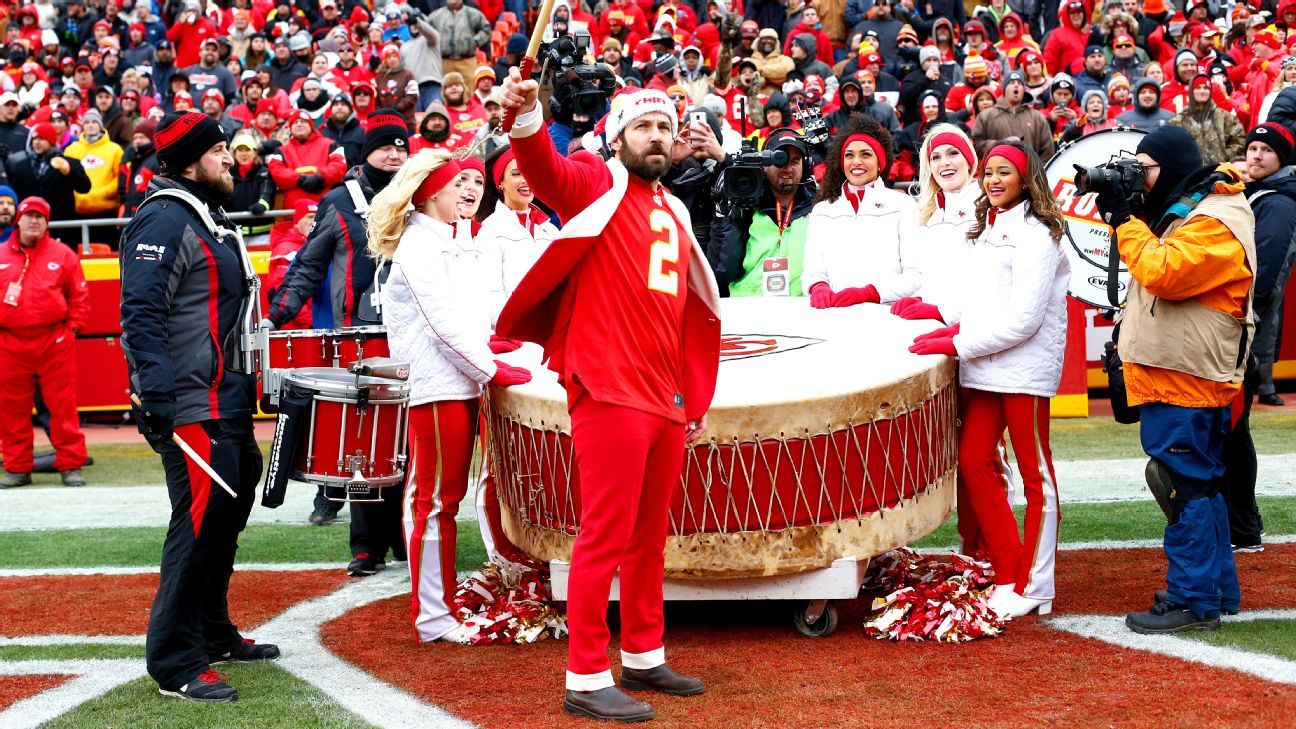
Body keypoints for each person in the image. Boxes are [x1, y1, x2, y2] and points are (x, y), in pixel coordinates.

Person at [498, 77, 720, 721]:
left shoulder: (673, 207)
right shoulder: (598, 181)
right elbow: (546, 171)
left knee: (649, 537)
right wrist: (528, 115)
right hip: (607, 386)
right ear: (617, 137)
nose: (656, 137)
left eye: (665, 128)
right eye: (642, 127)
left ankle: (644, 655)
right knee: (604, 535)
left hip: (662, 393)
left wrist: (690, 394)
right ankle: (586, 674)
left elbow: (684, 313)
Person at [120, 110, 278, 703]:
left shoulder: (204, 214)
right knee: (195, 526)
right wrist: (157, 394)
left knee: (225, 516)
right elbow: (142, 309)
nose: (229, 159)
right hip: (190, 400)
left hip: (224, 398)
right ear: (189, 162)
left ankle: (212, 630)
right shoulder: (164, 217)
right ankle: (175, 661)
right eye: (217, 151)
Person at [365, 147, 532, 640]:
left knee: (445, 498)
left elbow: (467, 317)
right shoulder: (419, 245)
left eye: (472, 182)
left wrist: (491, 345)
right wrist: (491, 368)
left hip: (461, 381)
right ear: (430, 191)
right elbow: (442, 326)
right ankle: (433, 617)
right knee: (436, 501)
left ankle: (441, 607)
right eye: (458, 182)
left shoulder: (453, 240)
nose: (468, 190)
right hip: (439, 388)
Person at [1092, 125, 1252, 633]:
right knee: (1196, 482)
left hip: (1189, 376)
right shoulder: (1194, 209)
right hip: (1180, 371)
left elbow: (1165, 273)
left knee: (1184, 484)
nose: (1139, 178)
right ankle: (1215, 590)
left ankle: (1194, 600)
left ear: (1174, 166)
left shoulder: (1218, 219)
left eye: (1145, 169)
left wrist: (1124, 219)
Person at [902, 140, 1070, 620]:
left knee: (1036, 476)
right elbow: (975, 300)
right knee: (974, 460)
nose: (994, 180)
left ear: (1025, 179)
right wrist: (939, 316)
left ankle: (1036, 585)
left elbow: (1023, 320)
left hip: (1023, 371)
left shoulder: (1037, 234)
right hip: (987, 367)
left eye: (1004, 172)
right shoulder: (986, 227)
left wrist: (956, 343)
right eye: (989, 172)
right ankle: (1008, 570)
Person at [265, 113, 412, 567]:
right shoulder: (339, 201)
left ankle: (406, 536)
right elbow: (309, 265)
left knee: (409, 442)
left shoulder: (422, 196)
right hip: (361, 337)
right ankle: (366, 544)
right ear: (365, 153)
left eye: (401, 147)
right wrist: (275, 316)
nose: (394, 154)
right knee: (365, 443)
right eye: (384, 146)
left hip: (413, 334)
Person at [0, 197, 89, 490]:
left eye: (40, 217)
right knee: (11, 410)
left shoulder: (63, 255)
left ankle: (71, 465)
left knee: (63, 407)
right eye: (29, 215)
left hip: (54, 341)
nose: (34, 221)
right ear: (19, 220)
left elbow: (79, 297)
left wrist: (72, 330)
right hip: (9, 343)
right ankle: (17, 468)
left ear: (47, 223)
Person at [803, 116, 919, 307]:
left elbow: (916, 275)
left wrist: (871, 293)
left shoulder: (904, 206)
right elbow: (813, 270)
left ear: (880, 163)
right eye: (849, 155)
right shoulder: (822, 211)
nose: (856, 161)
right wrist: (818, 287)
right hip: (834, 314)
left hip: (885, 314)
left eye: (866, 154)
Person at [710, 128, 815, 297]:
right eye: (779, 160)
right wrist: (722, 215)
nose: (787, 168)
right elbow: (723, 273)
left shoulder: (819, 210)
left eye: (795, 161)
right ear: (764, 166)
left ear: (806, 166)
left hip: (801, 307)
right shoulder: (745, 209)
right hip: (749, 307)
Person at [1244, 123, 1296, 410]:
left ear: (1282, 158)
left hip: (1256, 288)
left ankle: (1261, 386)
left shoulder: (1278, 201)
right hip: (1252, 286)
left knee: (1264, 323)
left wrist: (1252, 296)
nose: (1257, 155)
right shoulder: (1260, 189)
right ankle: (1264, 385)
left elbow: (1270, 257)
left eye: (1267, 150)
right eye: (1252, 148)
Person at [5, 123, 92, 229]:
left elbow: (85, 187)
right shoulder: (21, 165)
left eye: (41, 139)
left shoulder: (68, 163)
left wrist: (69, 171)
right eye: (35, 139)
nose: (37, 142)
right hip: (29, 225)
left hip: (60, 226)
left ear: (51, 141)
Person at [266, 109, 348, 210]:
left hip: (325, 207)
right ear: (290, 128)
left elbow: (339, 166)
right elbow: (277, 172)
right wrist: (299, 179)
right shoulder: (281, 151)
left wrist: (320, 177)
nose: (299, 124)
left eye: (303, 121)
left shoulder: (330, 145)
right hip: (293, 211)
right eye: (295, 122)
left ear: (311, 126)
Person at [1168, 75, 1245, 164]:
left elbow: (1239, 140)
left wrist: (1224, 156)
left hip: (1220, 169)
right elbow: (1172, 147)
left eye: (1206, 88)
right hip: (1191, 170)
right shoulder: (1178, 120)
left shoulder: (1225, 117)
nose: (1202, 91)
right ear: (1191, 91)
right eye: (1198, 88)